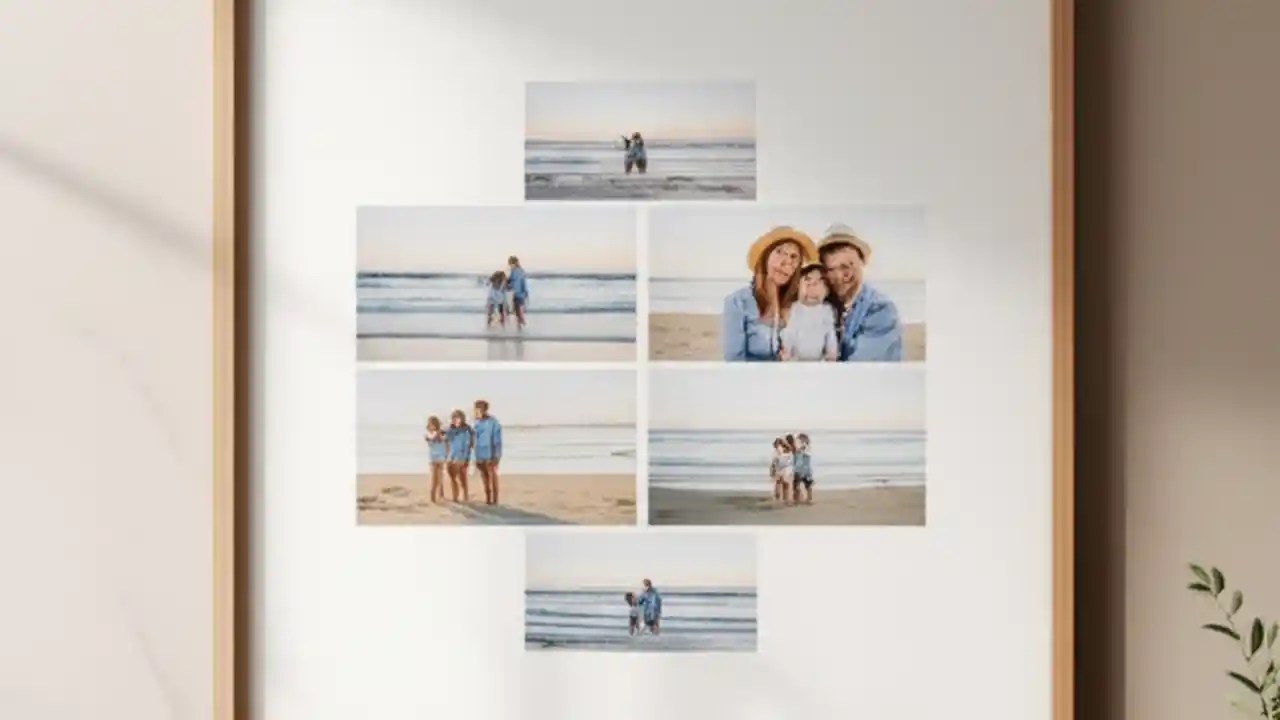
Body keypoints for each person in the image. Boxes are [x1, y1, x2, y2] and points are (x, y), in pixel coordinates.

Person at [722, 227, 818, 361]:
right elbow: (733, 360)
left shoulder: (799, 306)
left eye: (793, 257)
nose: (786, 262)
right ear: (766, 256)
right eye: (779, 252)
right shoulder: (738, 302)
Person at [817, 223, 903, 361]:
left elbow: (861, 369)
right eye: (830, 269)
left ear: (861, 263)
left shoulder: (880, 309)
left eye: (846, 267)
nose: (838, 276)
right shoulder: (825, 306)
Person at [779, 262, 839, 361]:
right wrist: (787, 352)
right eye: (807, 281)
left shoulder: (827, 310)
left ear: (827, 291)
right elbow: (789, 334)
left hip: (820, 361)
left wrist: (831, 354)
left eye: (819, 282)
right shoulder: (793, 309)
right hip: (795, 360)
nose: (812, 287)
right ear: (798, 286)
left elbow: (830, 335)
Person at [472, 400, 503, 505]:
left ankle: (495, 499)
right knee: (484, 476)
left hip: (491, 453)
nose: (477, 412)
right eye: (476, 410)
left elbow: (497, 440)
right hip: (480, 454)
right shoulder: (476, 423)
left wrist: (497, 455)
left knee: (492, 476)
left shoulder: (493, 422)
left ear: (484, 410)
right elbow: (474, 439)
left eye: (479, 409)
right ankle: (488, 497)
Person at [445, 410, 474, 502]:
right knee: (452, 476)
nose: (455, 420)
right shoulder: (450, 430)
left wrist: (465, 458)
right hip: (451, 456)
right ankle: (455, 496)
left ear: (462, 418)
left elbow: (468, 445)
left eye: (458, 418)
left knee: (462, 477)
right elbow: (446, 442)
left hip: (462, 456)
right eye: (454, 418)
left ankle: (464, 495)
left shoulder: (467, 430)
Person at [424, 416, 448, 503]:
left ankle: (441, 495)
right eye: (430, 425)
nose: (432, 426)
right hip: (433, 458)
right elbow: (431, 440)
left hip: (441, 457)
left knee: (440, 477)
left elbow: (445, 441)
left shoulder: (442, 433)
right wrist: (437, 434)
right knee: (434, 479)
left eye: (433, 424)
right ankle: (433, 497)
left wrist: (446, 454)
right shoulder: (428, 434)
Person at [506, 256, 529, 328]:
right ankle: (520, 324)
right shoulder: (522, 270)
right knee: (519, 310)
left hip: (516, 294)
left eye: (510, 264)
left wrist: (507, 286)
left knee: (517, 310)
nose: (510, 265)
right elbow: (523, 282)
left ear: (513, 263)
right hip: (522, 293)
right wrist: (526, 292)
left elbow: (511, 282)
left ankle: (521, 324)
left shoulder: (514, 271)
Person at [792, 433, 814, 504]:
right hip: (801, 469)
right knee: (798, 485)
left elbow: (802, 452)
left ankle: (807, 499)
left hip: (803, 469)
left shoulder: (806, 448)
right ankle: (798, 499)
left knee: (806, 485)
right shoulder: (802, 448)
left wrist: (800, 448)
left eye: (799, 440)